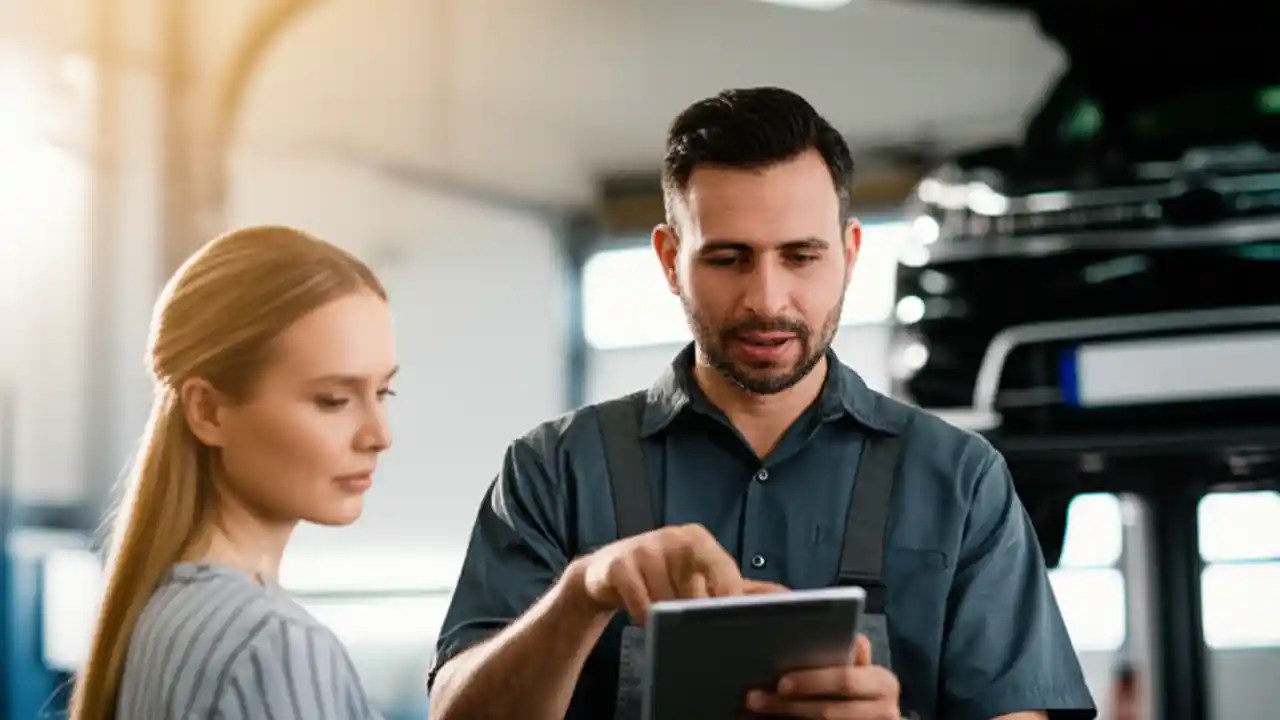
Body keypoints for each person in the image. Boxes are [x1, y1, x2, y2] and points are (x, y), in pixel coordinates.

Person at [428, 87, 1097, 720]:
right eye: (728, 258)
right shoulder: (553, 472)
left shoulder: (962, 481)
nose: (767, 300)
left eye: (801, 256)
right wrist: (580, 597)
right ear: (669, 259)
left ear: (850, 253)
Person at [69, 226, 396, 720]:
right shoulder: (274, 646)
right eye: (333, 400)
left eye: (384, 393)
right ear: (208, 411)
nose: (378, 435)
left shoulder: (158, 616)